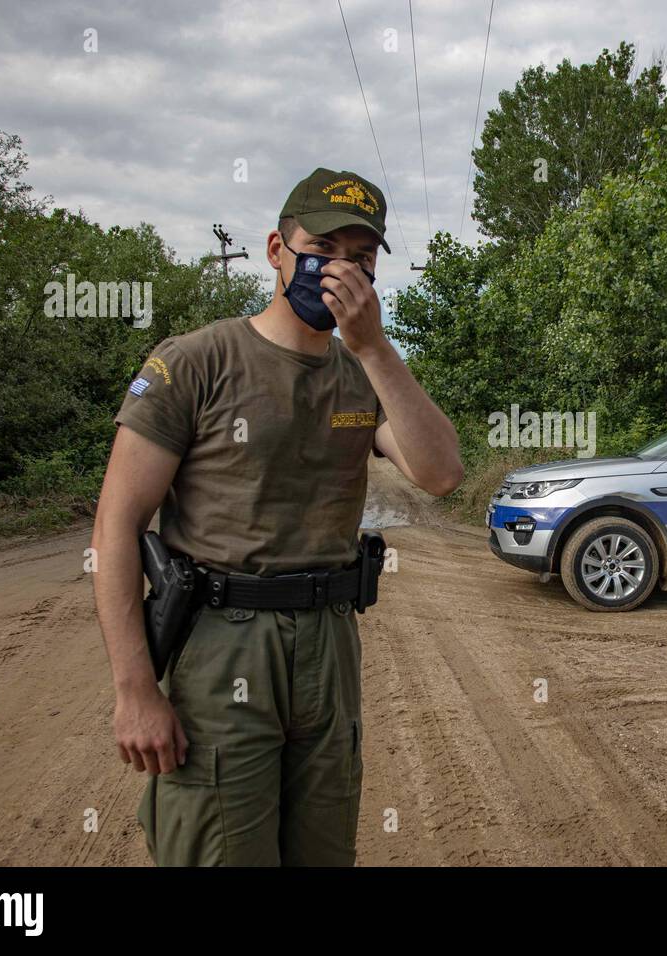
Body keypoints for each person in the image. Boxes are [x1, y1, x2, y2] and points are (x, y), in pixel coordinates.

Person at [90, 167, 463, 866]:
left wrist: (376, 347)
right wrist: (135, 689)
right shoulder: (193, 363)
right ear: (275, 249)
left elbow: (440, 474)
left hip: (329, 644)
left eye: (362, 257)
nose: (341, 269)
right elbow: (117, 524)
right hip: (223, 642)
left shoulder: (364, 373)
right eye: (324, 246)